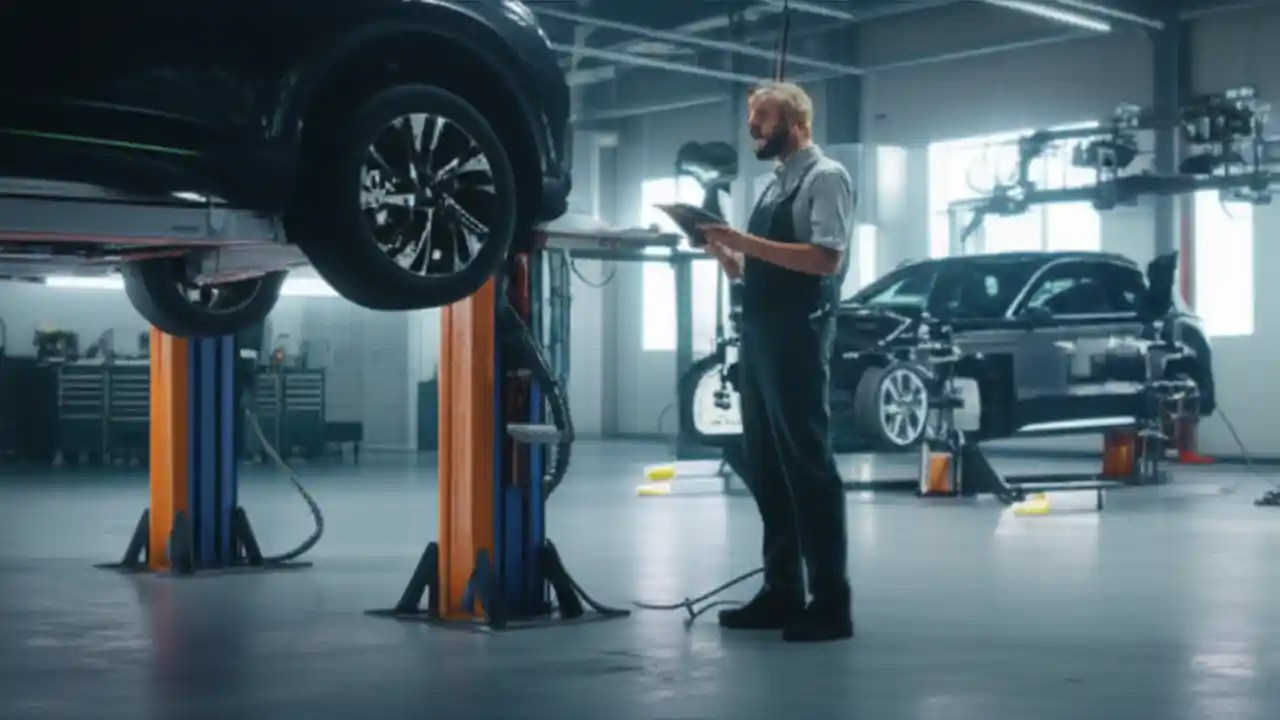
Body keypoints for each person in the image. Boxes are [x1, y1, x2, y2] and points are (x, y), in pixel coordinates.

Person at [698, 81, 855, 643]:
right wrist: (725, 253)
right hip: (761, 333)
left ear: (797, 122)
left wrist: (744, 239)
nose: (753, 128)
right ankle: (781, 590)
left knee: (807, 463)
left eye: (763, 118)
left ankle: (831, 603)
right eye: (752, 119)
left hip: (798, 334)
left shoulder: (825, 177)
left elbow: (825, 259)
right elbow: (758, 268)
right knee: (768, 465)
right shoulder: (772, 188)